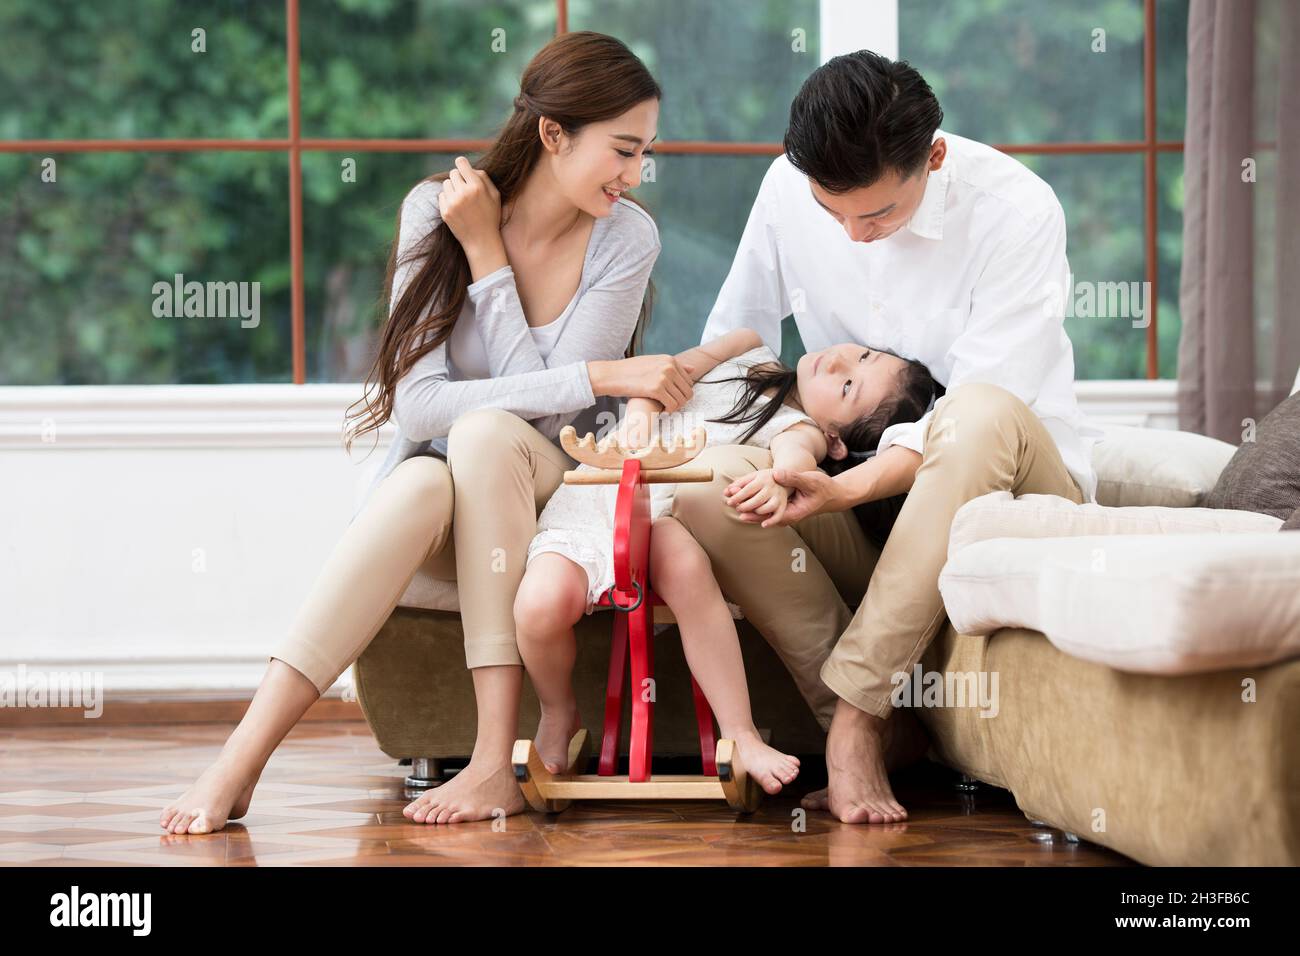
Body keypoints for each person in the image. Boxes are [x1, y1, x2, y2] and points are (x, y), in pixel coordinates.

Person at [160, 32, 689, 834]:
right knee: (417, 477)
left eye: (645, 151)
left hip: (549, 500)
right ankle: (241, 760)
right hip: (446, 510)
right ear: (554, 135)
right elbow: (416, 408)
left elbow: (539, 423)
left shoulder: (627, 239)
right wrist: (601, 374)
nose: (636, 173)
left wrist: (489, 265)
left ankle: (490, 762)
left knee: (481, 438)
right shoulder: (432, 209)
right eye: (622, 149)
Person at [670, 50, 1105, 825]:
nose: (853, 235)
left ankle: (856, 721)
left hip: (1005, 490)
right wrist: (800, 444)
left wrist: (842, 486)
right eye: (831, 212)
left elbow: (968, 414)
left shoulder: (1018, 210)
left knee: (975, 414)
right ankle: (884, 729)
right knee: (711, 488)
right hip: (864, 504)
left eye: (876, 216)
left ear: (933, 158)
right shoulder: (783, 189)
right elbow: (743, 343)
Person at [514, 326, 937, 793]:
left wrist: (780, 481)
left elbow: (794, 458)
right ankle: (557, 712)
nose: (838, 362)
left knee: (687, 570)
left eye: (847, 387)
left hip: (660, 519)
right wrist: (640, 412)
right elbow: (665, 375)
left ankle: (741, 733)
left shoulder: (804, 431)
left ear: (837, 441)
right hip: (595, 502)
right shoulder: (746, 347)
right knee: (539, 606)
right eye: (862, 354)